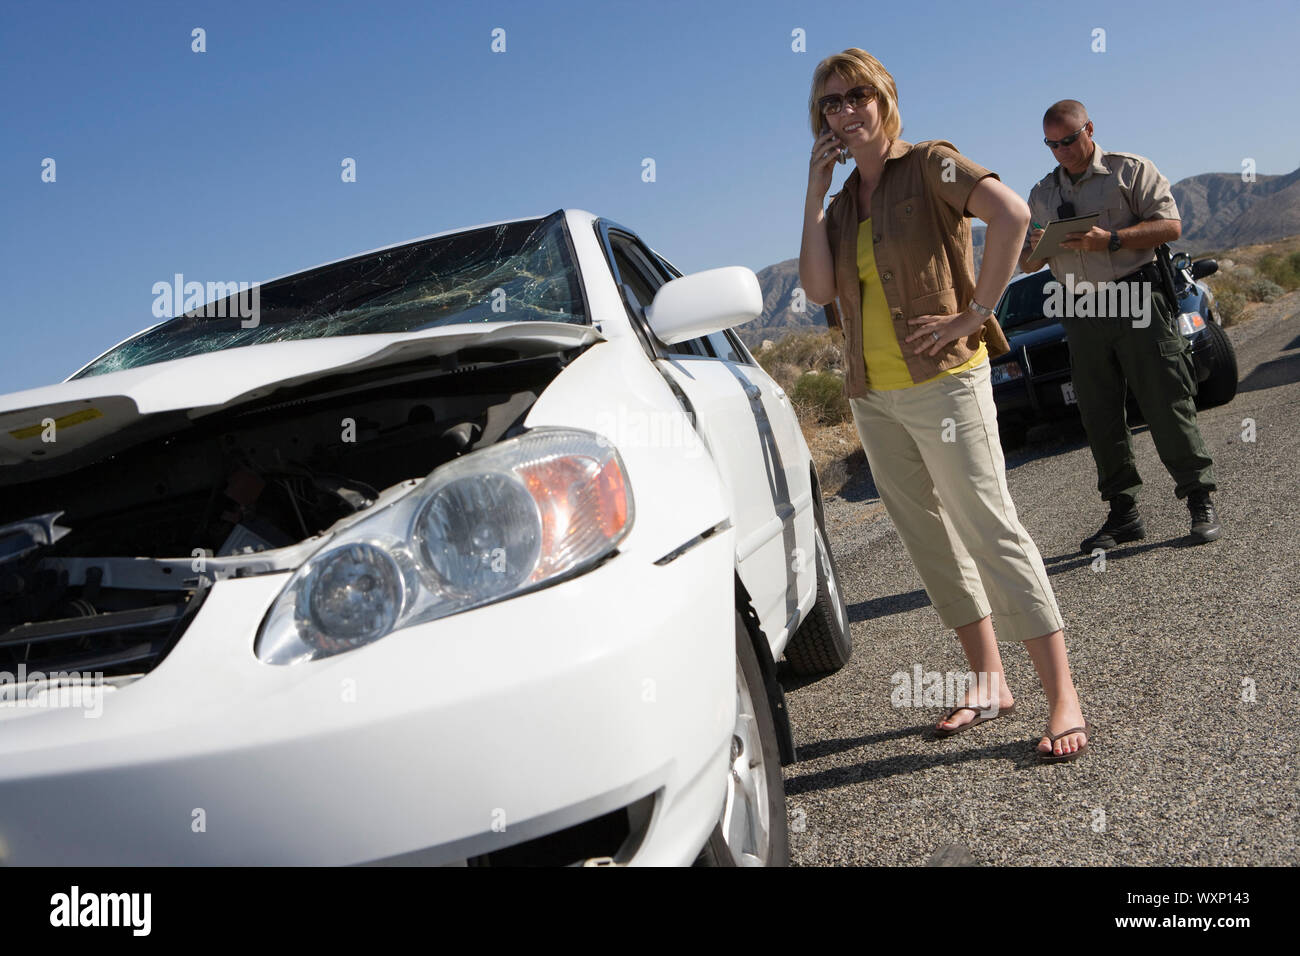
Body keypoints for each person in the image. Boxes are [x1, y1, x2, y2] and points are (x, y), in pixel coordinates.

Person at [798, 49, 1090, 761]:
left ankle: (1062, 696)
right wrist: (813, 191)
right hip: (876, 397)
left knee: (989, 527)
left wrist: (976, 312)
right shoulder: (840, 209)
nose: (845, 110)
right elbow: (815, 289)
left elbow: (1013, 214)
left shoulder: (930, 164)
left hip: (946, 384)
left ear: (884, 97)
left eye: (856, 95)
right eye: (830, 103)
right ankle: (988, 682)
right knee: (930, 542)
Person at [1020, 99, 1220, 551]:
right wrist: (1034, 247)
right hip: (1080, 308)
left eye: (1068, 140)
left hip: (1135, 297)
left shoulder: (1129, 170)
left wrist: (1110, 239)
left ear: (1088, 128)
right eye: (1051, 145)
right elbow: (1028, 263)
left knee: (1165, 399)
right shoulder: (1042, 193)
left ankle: (1198, 498)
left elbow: (1170, 226)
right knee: (1098, 412)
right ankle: (1123, 513)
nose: (1062, 152)